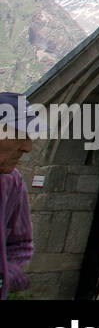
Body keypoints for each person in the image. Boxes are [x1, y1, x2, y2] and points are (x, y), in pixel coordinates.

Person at [0, 92, 38, 300]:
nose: (27, 147)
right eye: (20, 135)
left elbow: (20, 245)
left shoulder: (12, 183)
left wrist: (6, 275)